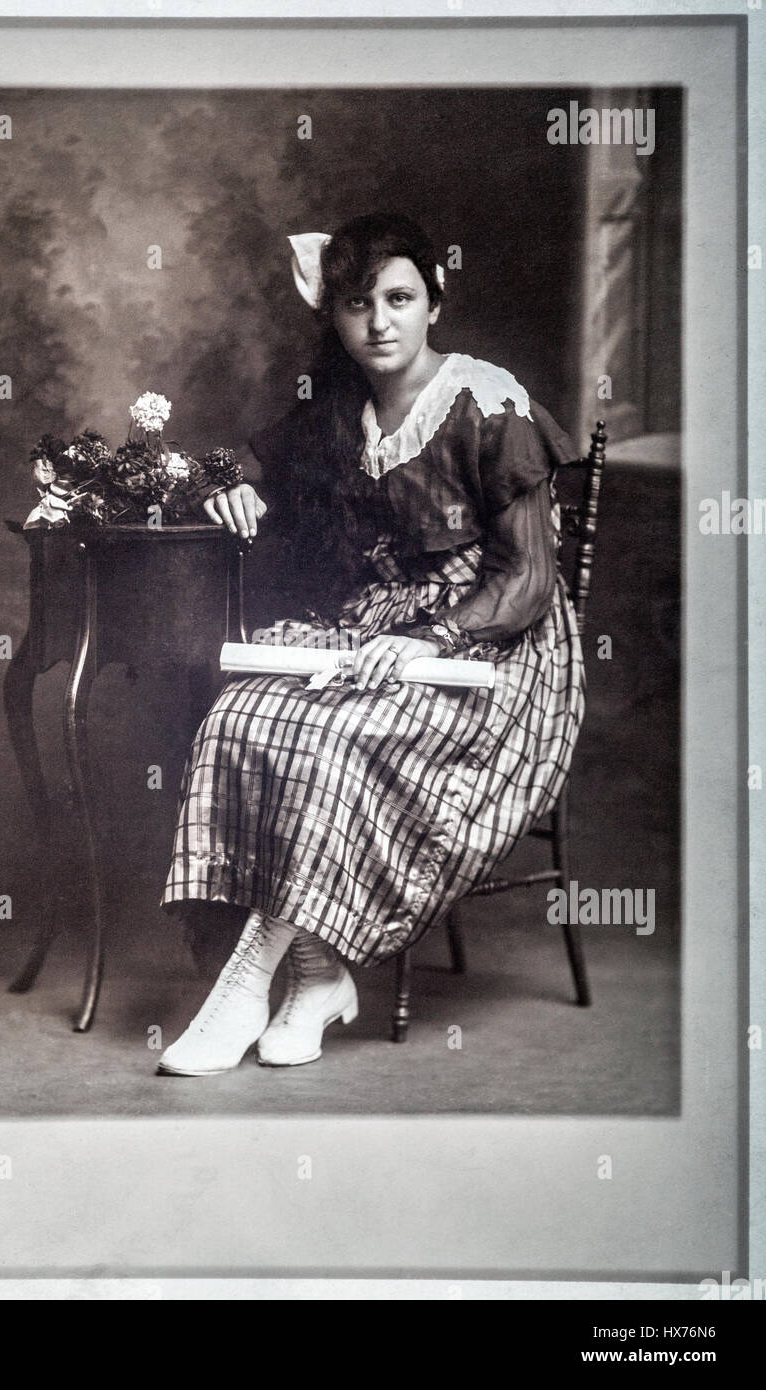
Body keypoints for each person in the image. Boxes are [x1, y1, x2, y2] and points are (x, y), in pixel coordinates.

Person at [157, 212, 585, 1076]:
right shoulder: (336, 408)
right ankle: (317, 977)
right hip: (382, 628)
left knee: (337, 739)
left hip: (501, 648)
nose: (380, 322)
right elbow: (248, 467)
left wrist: (435, 634)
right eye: (358, 303)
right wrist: (229, 491)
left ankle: (248, 986)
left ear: (435, 302)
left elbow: (530, 581)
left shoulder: (486, 401)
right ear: (336, 316)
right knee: (242, 717)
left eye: (400, 298)